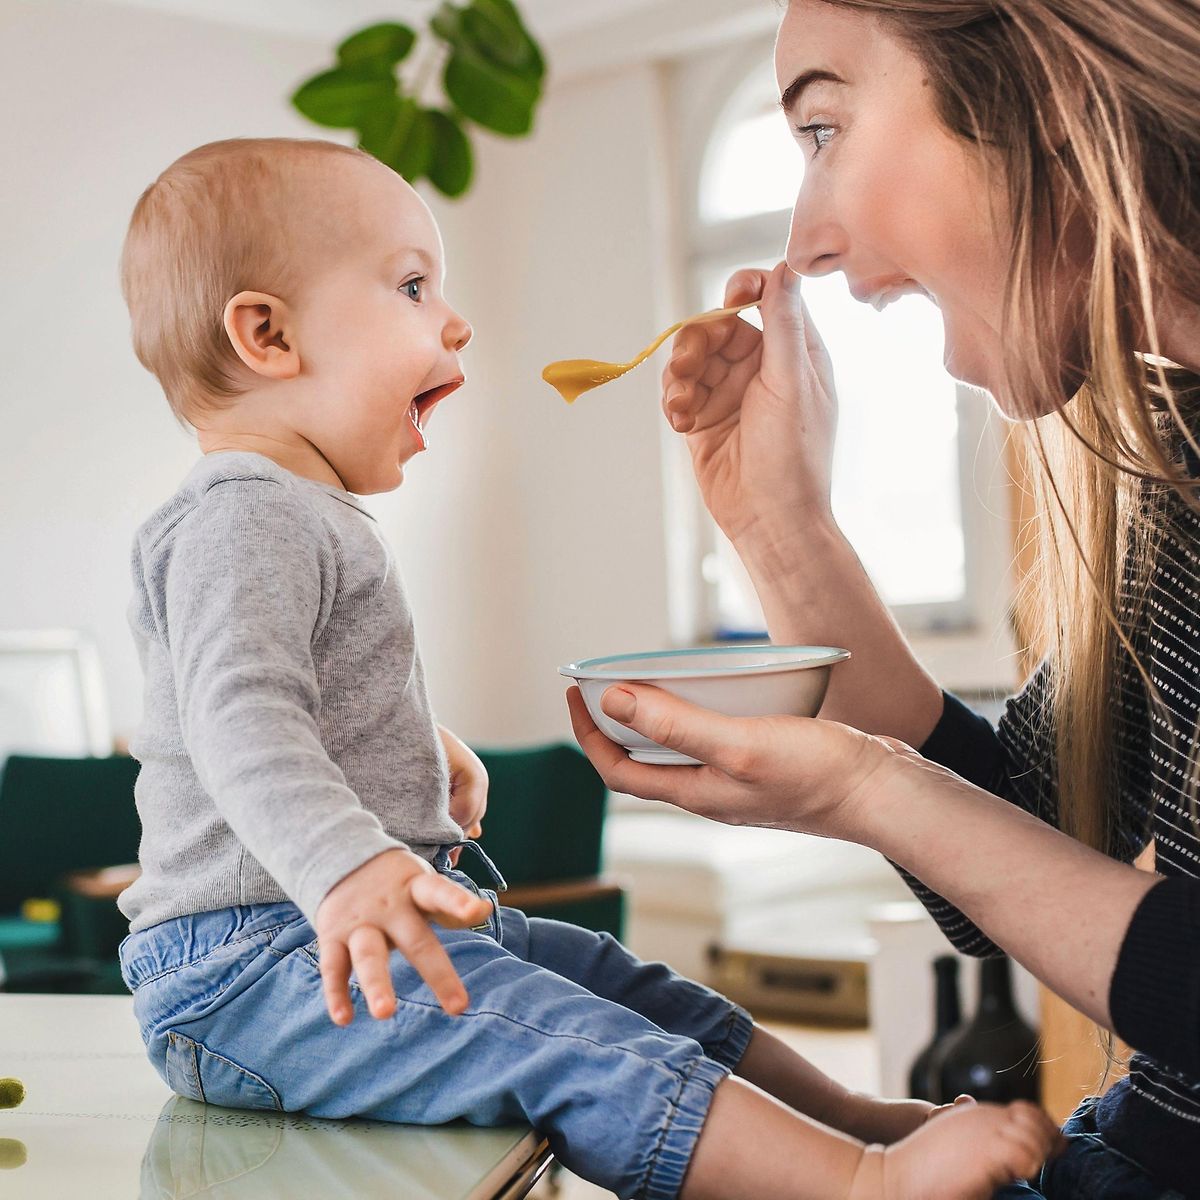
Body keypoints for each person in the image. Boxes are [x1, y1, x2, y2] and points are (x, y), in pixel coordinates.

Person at [114, 137, 1060, 1200]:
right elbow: (237, 718)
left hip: (319, 937)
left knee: (619, 983)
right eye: (413, 286)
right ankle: (854, 1183)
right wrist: (348, 866)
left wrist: (412, 751)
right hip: (251, 972)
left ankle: (847, 1118)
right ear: (267, 335)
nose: (456, 320)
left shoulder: (293, 516)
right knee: (558, 1039)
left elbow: (275, 698)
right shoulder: (245, 516)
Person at [567, 1, 1200, 1197]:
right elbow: (1040, 842)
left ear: (1035, 86)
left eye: (821, 129)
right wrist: (780, 523)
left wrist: (870, 788)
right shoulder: (1182, 467)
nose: (805, 238)